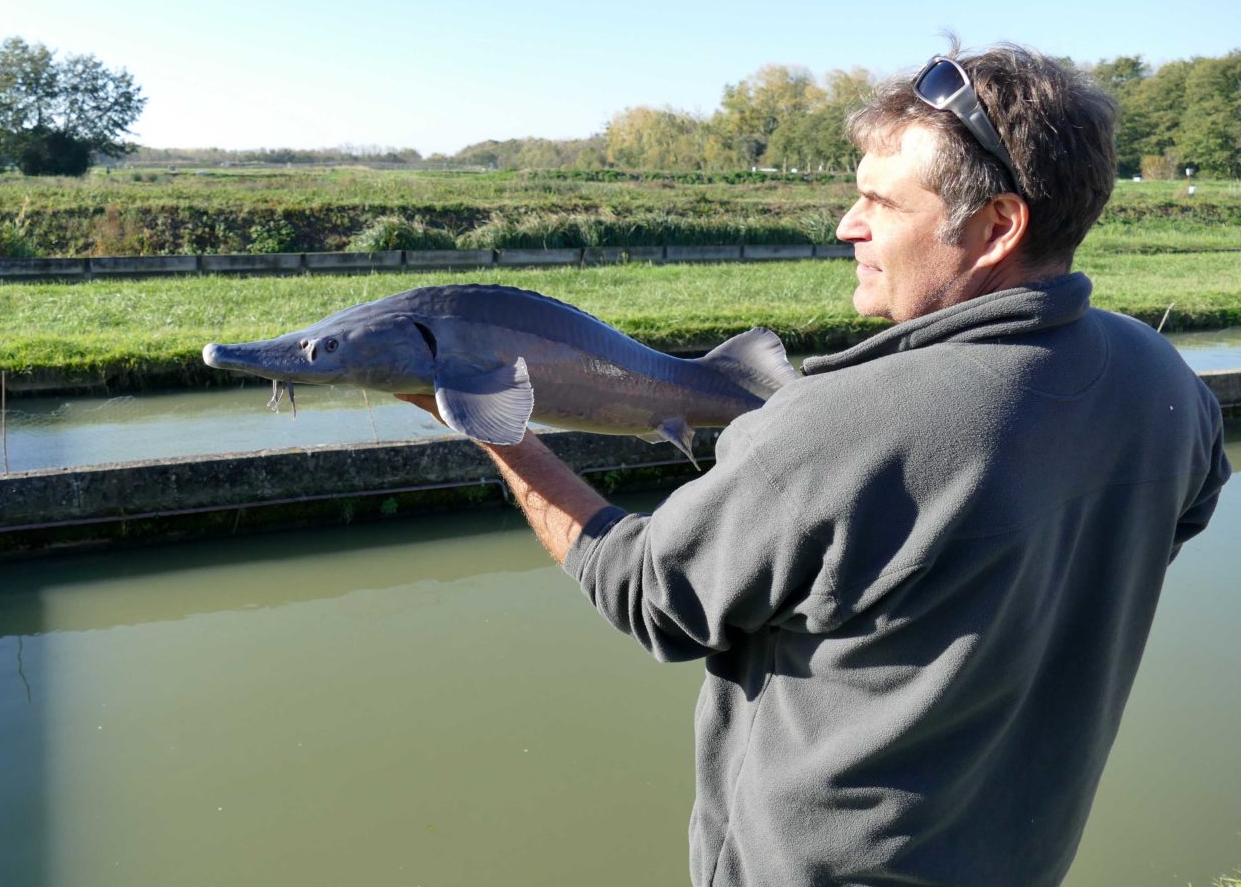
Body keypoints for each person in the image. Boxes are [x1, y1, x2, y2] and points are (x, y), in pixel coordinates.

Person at [402, 43, 1231, 886]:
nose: (847, 225)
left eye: (881, 201)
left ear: (996, 227)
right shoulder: (1159, 377)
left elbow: (647, 596)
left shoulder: (840, 426)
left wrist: (495, 428)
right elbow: (1187, 510)